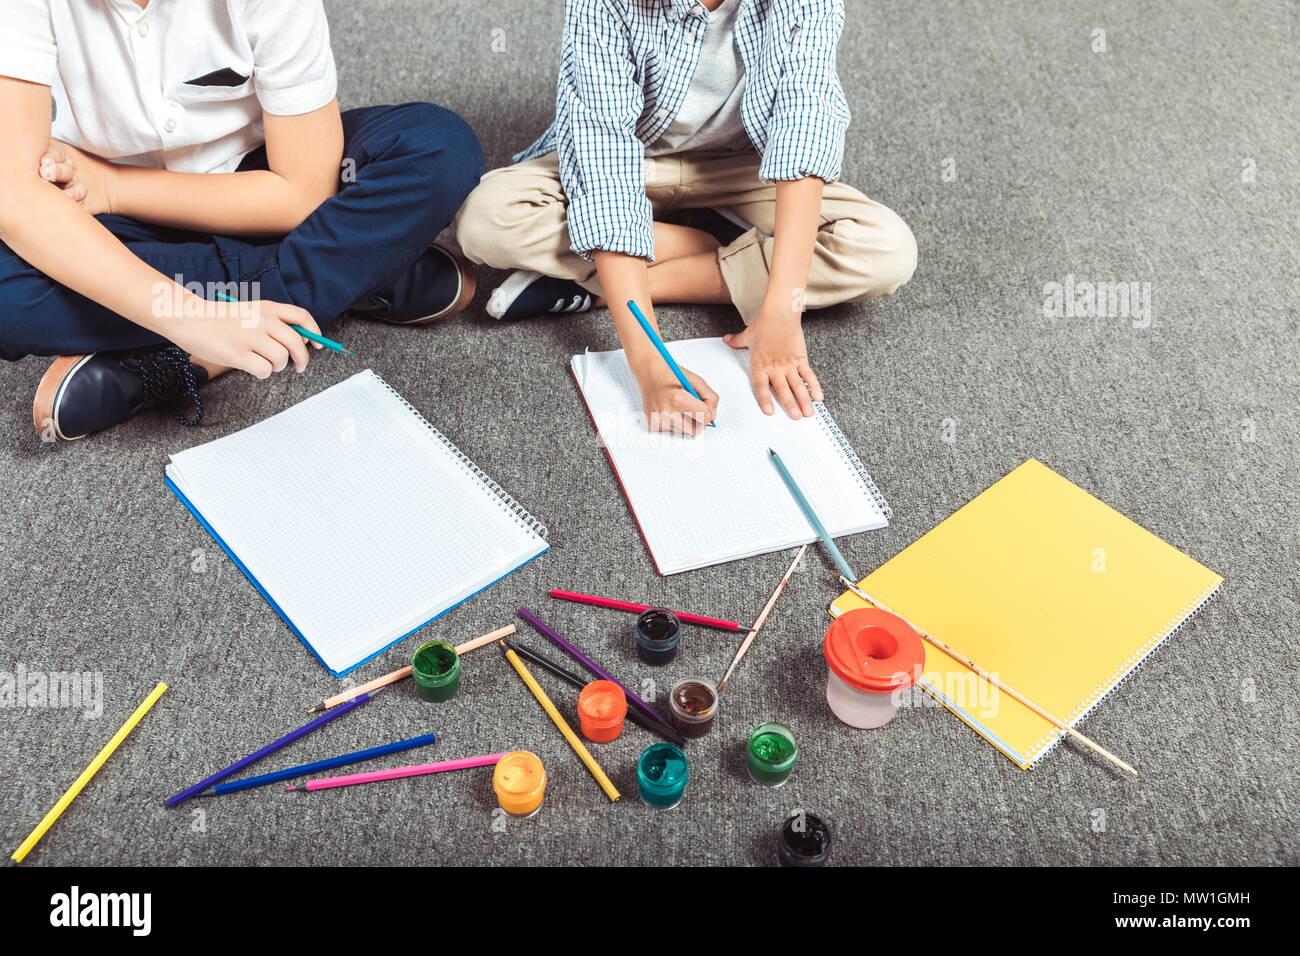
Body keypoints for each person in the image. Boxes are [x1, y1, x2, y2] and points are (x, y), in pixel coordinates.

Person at [0, 0, 483, 442]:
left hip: (257, 187)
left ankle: (202, 356)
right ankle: (354, 271)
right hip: (108, 217)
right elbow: (15, 195)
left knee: (438, 146)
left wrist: (187, 315)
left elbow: (302, 192)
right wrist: (188, 313)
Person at [456, 0, 917, 435]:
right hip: (635, 159)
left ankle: (594, 286)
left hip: (745, 168)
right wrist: (648, 364)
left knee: (885, 251)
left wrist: (782, 308)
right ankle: (725, 245)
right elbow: (604, 169)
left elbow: (805, 118)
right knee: (487, 222)